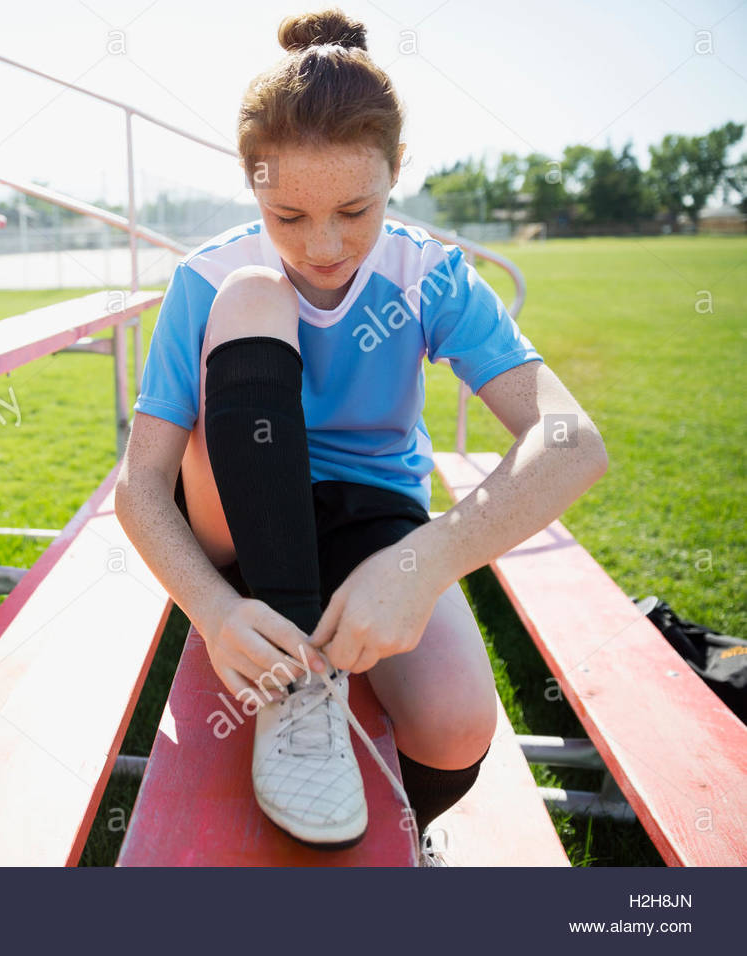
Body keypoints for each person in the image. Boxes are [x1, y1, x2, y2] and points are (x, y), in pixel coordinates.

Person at [113, 8, 609, 859]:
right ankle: (297, 683)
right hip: (235, 516)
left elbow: (572, 441)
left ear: (396, 171)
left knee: (455, 723)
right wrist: (213, 608)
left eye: (355, 208)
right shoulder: (208, 277)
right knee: (255, 297)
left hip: (373, 515)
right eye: (287, 214)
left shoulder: (430, 273)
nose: (324, 245)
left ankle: (403, 831)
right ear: (252, 185)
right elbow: (140, 487)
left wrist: (426, 562)